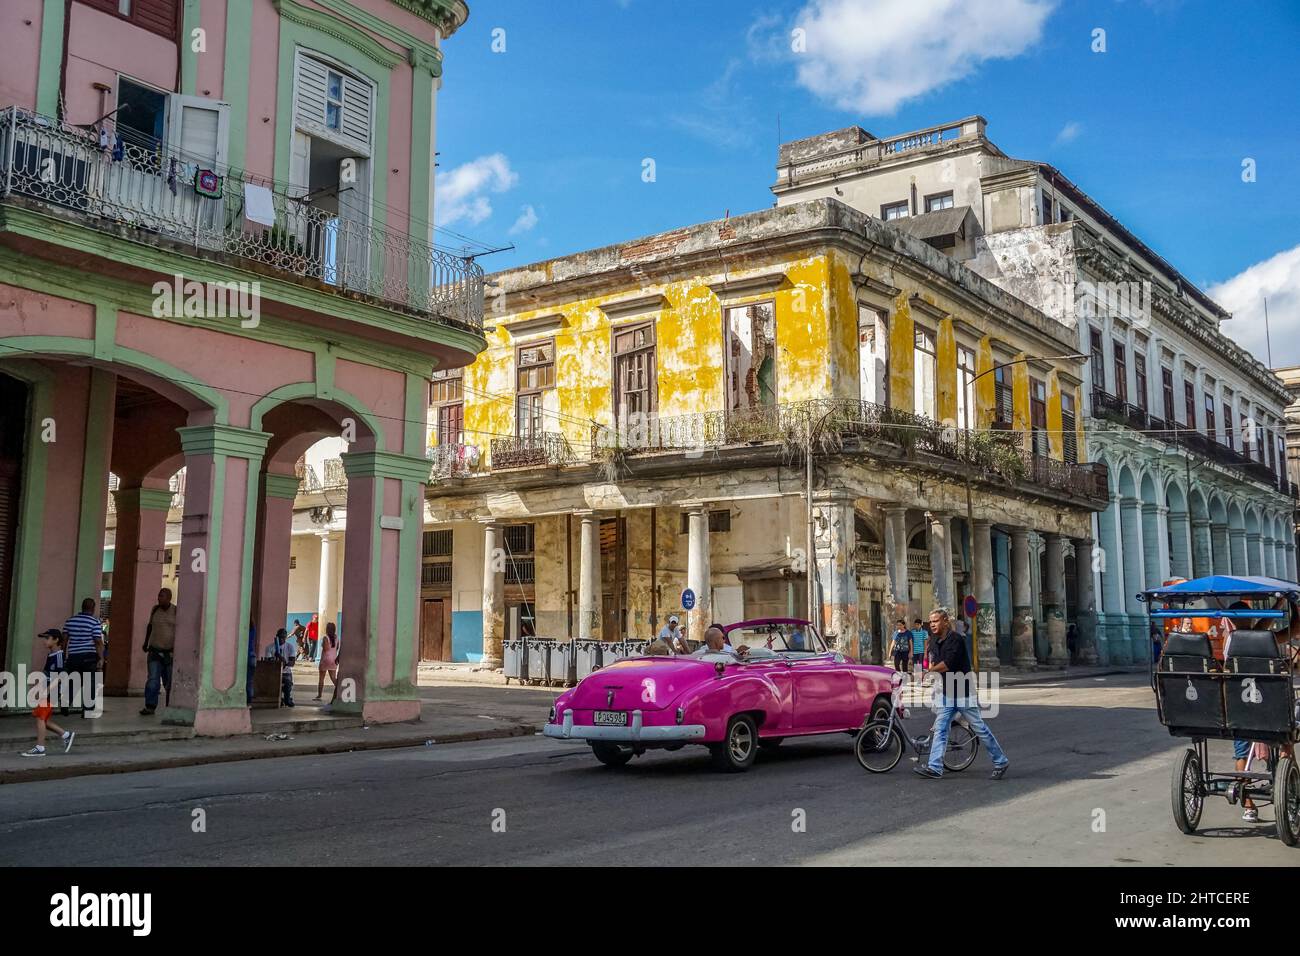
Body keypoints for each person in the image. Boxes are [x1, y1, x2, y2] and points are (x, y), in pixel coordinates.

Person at [914, 607, 1010, 780]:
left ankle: (1001, 761)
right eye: (931, 622)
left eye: (936, 621)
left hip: (963, 692)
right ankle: (935, 767)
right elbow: (934, 661)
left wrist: (929, 672)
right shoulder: (935, 641)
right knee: (941, 730)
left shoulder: (956, 639)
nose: (932, 625)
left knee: (980, 729)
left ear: (945, 621)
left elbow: (947, 664)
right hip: (946, 693)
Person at [21, 629, 76, 756]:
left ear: (56, 640)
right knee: (42, 718)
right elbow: (46, 675)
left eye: (47, 638)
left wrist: (47, 690)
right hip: (48, 691)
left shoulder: (59, 656)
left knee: (41, 717)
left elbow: (60, 677)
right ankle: (66, 735)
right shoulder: (51, 655)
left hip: (53, 692)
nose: (45, 641)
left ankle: (40, 748)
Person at [62, 598, 104, 717]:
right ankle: (87, 709)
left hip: (73, 656)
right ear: (93, 608)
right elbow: (97, 641)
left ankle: (65, 702)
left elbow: (64, 639)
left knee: (73, 680)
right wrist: (101, 657)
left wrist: (64, 654)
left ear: (82, 607)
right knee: (89, 682)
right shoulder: (94, 622)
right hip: (89, 656)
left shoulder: (70, 621)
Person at [139, 587, 176, 716]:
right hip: (154, 650)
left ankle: (170, 706)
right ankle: (150, 706)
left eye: (162, 596)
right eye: (159, 596)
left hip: (170, 653)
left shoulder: (176, 611)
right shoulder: (155, 610)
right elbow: (150, 626)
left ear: (169, 598)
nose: (159, 598)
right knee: (153, 680)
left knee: (169, 681)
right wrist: (145, 642)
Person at [316, 621, 340, 703]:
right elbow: (337, 648)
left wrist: (323, 644)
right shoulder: (337, 637)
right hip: (333, 660)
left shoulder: (325, 638)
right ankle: (339, 690)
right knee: (333, 678)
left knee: (321, 678)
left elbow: (326, 649)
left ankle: (319, 695)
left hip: (325, 660)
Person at [272, 627, 296, 707]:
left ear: (286, 637)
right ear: (276, 636)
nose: (281, 639)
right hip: (273, 672)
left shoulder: (290, 647)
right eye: (280, 637)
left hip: (286, 672)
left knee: (288, 683)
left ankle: (287, 699)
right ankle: (278, 699)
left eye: (283, 637)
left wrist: (284, 662)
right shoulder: (271, 647)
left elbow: (292, 663)